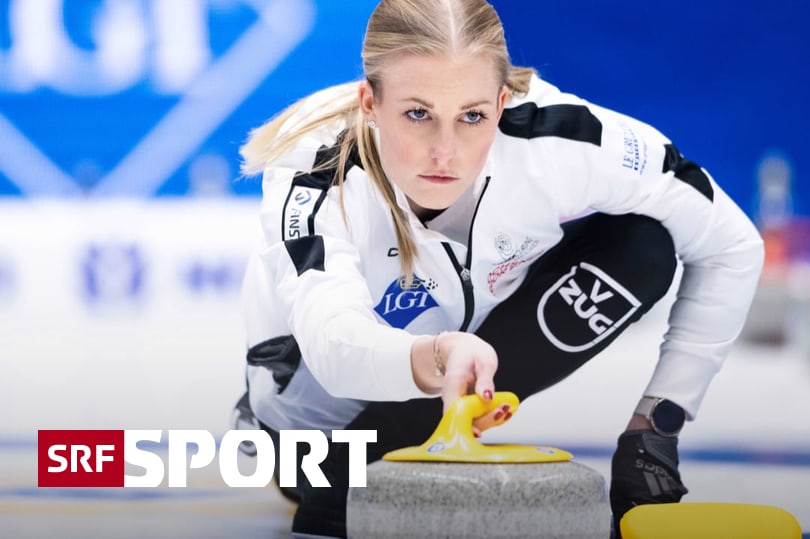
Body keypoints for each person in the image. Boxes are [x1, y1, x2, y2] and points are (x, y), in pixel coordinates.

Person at [233, 0, 764, 537]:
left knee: (642, 247)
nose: (446, 151)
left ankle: (400, 446)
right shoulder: (315, 168)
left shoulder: (556, 138)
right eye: (417, 113)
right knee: (332, 434)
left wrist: (657, 424)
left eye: (473, 116)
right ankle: (341, 480)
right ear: (370, 102)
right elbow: (332, 345)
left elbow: (733, 244)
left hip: (458, 372)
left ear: (503, 100)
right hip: (318, 436)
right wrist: (434, 354)